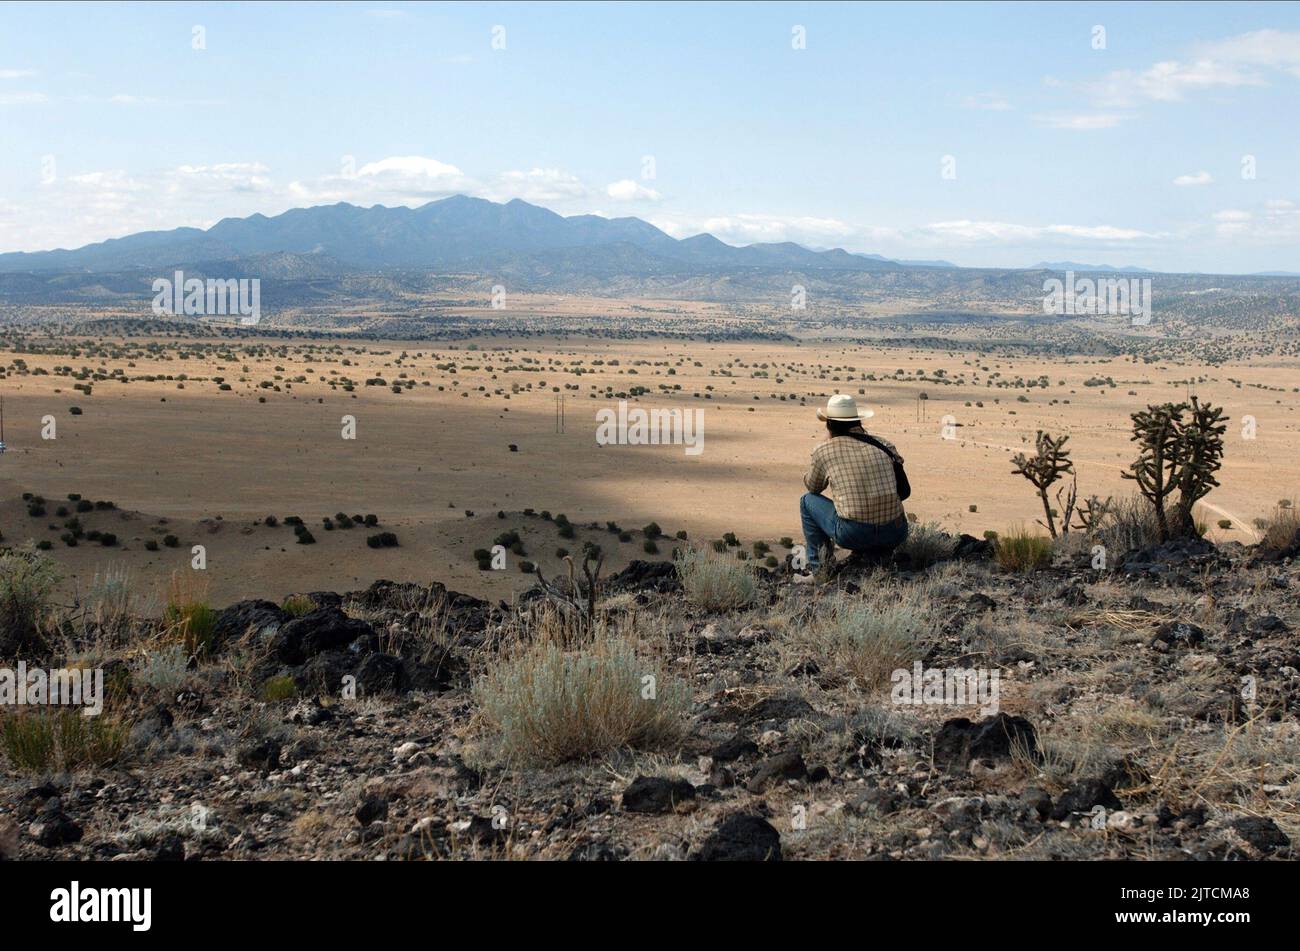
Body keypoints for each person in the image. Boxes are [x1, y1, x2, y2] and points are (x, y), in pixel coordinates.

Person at [798, 394, 908, 574]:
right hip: (896, 531)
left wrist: (824, 446)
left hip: (853, 534)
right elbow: (901, 490)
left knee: (806, 501)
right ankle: (879, 555)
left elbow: (813, 487)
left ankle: (821, 571)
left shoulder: (824, 450)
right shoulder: (884, 444)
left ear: (829, 424)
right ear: (858, 421)